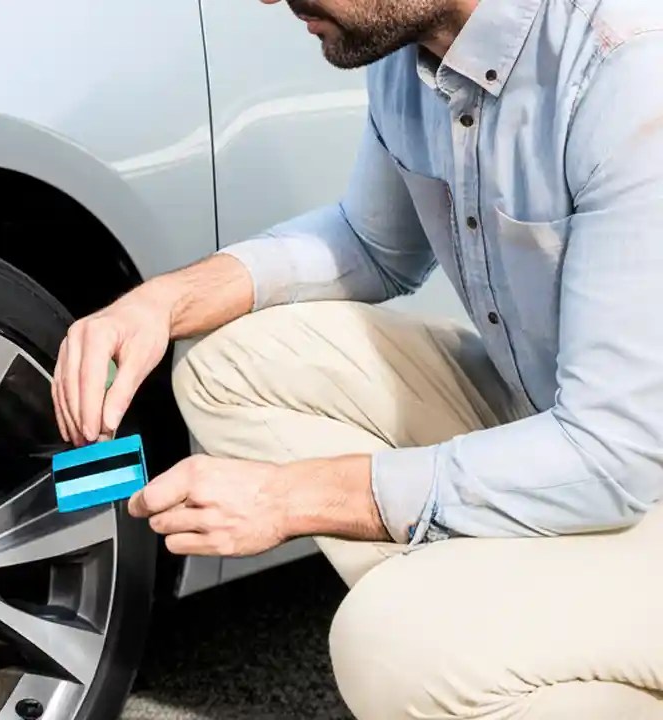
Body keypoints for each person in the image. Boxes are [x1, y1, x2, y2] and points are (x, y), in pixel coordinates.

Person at [51, 0, 663, 717]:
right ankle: (488, 632)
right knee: (228, 362)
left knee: (389, 645)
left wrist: (290, 496)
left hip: (627, 463)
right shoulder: (418, 56)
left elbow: (611, 453)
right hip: (561, 424)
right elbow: (371, 244)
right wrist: (162, 302)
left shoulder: (627, 71)